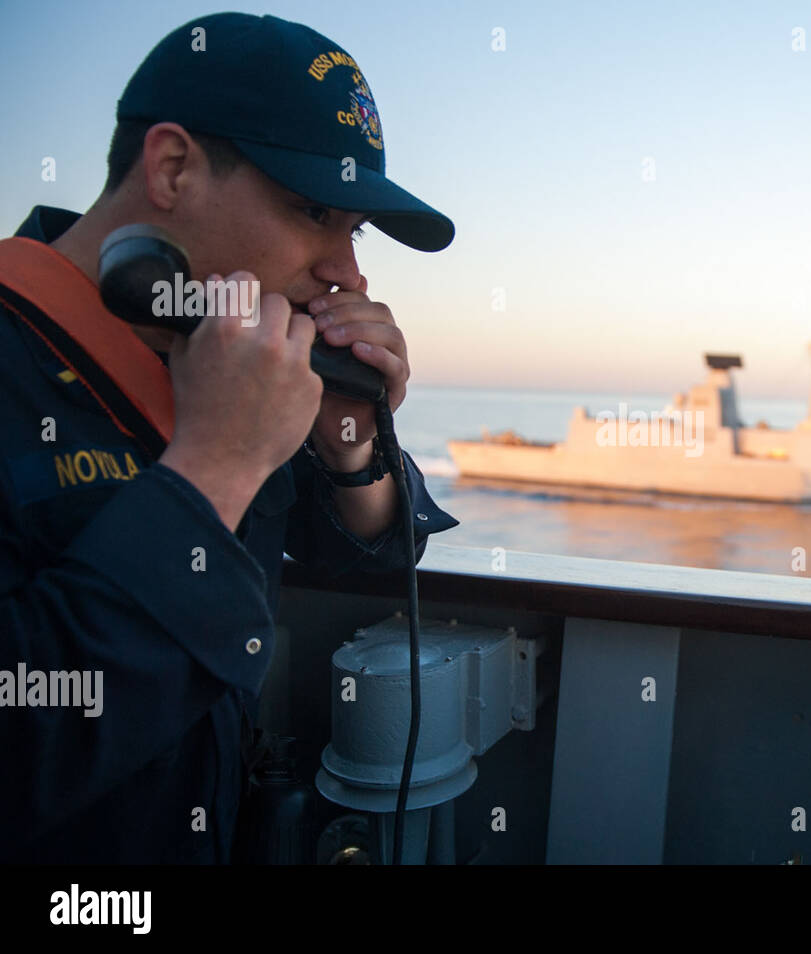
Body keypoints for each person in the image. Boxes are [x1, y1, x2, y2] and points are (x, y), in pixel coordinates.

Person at [0, 13, 459, 863]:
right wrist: (215, 465)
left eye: (351, 231)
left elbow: (357, 559)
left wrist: (347, 440)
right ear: (171, 168)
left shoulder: (225, 355)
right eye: (312, 211)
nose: (348, 273)